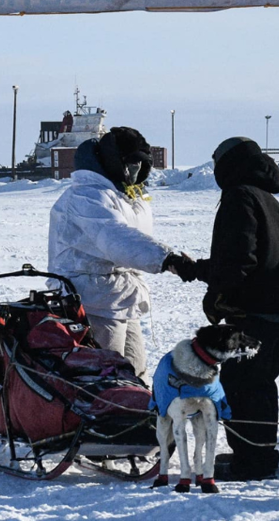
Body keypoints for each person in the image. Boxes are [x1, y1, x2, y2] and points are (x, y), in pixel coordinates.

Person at [172, 137, 279, 481]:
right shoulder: (267, 198)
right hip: (273, 309)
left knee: (242, 385)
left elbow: (238, 261)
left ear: (229, 165)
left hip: (251, 311)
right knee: (260, 384)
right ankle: (259, 455)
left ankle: (252, 461)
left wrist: (200, 274)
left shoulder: (239, 196)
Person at [47, 128, 189, 380]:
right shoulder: (86, 196)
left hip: (120, 297)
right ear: (114, 162)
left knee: (135, 371)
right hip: (91, 301)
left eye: (140, 166)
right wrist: (166, 259)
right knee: (104, 378)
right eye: (131, 165)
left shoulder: (123, 195)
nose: (135, 171)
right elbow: (115, 237)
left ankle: (138, 404)